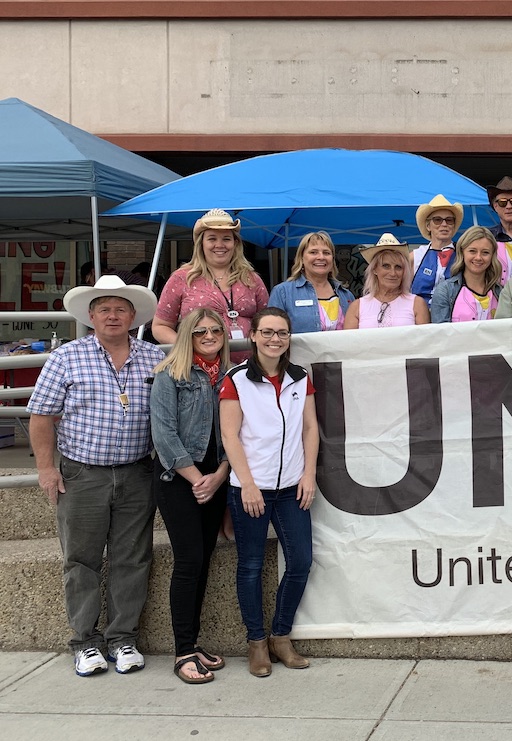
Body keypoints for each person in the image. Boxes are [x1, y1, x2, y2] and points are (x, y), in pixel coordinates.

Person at [27, 275, 164, 677]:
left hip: (137, 472)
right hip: (82, 474)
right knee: (81, 559)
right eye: (104, 309)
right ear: (91, 316)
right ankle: (85, 642)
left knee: (132, 557)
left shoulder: (153, 357)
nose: (112, 315)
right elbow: (41, 416)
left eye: (121, 309)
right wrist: (46, 469)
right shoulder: (66, 357)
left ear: (133, 316)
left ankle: (123, 639)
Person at [219, 307, 318, 677]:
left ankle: (281, 635)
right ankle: (256, 642)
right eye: (268, 332)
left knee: (301, 562)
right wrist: (247, 483)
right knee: (250, 566)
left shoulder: (300, 378)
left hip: (292, 487)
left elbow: (310, 428)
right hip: (251, 488)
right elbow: (230, 435)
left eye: (282, 333)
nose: (275, 339)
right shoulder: (236, 379)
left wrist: (308, 475)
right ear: (254, 335)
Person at [149, 308, 231, 684]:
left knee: (203, 561)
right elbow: (164, 435)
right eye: (200, 332)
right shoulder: (170, 375)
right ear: (187, 336)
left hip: (215, 477)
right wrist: (199, 480)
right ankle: (183, 651)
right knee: (188, 561)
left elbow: (236, 433)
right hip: (179, 478)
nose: (209, 336)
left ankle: (194, 643)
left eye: (216, 330)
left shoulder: (229, 376)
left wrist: (220, 474)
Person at [153, 209, 270, 359]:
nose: (219, 245)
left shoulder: (252, 279)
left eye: (226, 239)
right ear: (201, 243)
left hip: (248, 366)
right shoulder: (181, 278)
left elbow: (268, 323)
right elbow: (160, 327)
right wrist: (188, 350)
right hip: (198, 366)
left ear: (235, 243)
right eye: (212, 239)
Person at [268, 231, 355, 333]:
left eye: (326, 253)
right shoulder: (283, 292)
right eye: (313, 252)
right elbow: (272, 331)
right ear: (301, 258)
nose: (321, 257)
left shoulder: (347, 296)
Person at [344, 234, 430, 329]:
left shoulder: (417, 304)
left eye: (398, 267)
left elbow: (425, 338)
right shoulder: (357, 307)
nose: (393, 273)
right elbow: (349, 338)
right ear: (374, 269)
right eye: (386, 266)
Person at [431, 226, 503, 323]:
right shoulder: (445, 291)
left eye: (485, 252)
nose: (478, 257)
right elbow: (441, 330)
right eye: (472, 251)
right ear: (462, 252)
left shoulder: (501, 292)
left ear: (492, 256)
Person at [409, 194, 463, 304]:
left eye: (449, 220)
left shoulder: (463, 254)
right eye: (437, 220)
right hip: (420, 312)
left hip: (454, 312)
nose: (444, 224)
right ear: (428, 226)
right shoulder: (415, 256)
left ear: (453, 225)